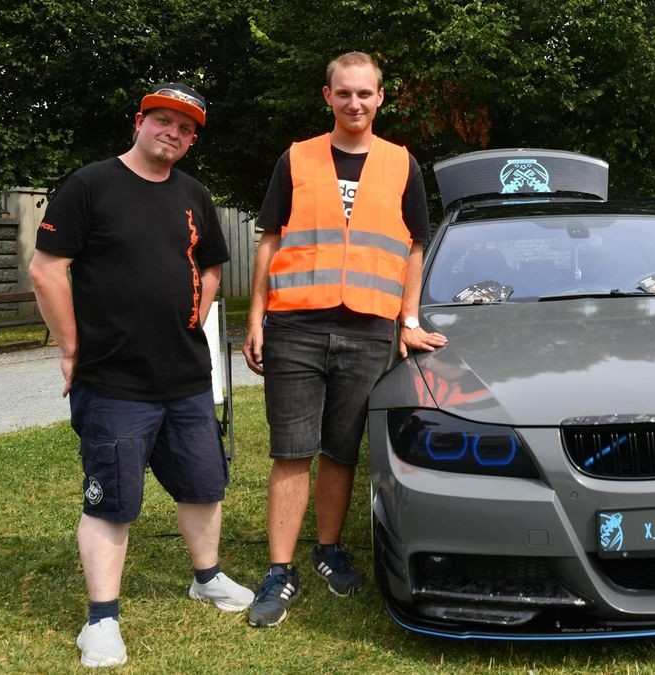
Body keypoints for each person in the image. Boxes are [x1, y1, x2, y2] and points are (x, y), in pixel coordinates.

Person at [29, 83, 254, 668]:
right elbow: (47, 270)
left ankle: (206, 577)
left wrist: (191, 316)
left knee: (205, 486)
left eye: (186, 129)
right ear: (140, 121)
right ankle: (101, 619)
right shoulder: (90, 185)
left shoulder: (193, 194)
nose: (174, 134)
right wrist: (72, 346)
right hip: (113, 382)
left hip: (185, 378)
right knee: (112, 502)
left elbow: (210, 269)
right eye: (164, 122)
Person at [242, 51, 447, 628]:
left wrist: (407, 321)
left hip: (368, 327)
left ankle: (328, 550)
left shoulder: (402, 164)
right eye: (344, 93)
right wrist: (255, 317)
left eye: (365, 93)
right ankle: (279, 570)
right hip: (296, 325)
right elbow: (271, 239)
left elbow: (415, 246)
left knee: (340, 449)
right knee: (291, 450)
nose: (354, 103)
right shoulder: (297, 158)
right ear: (327, 96)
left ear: (381, 97)